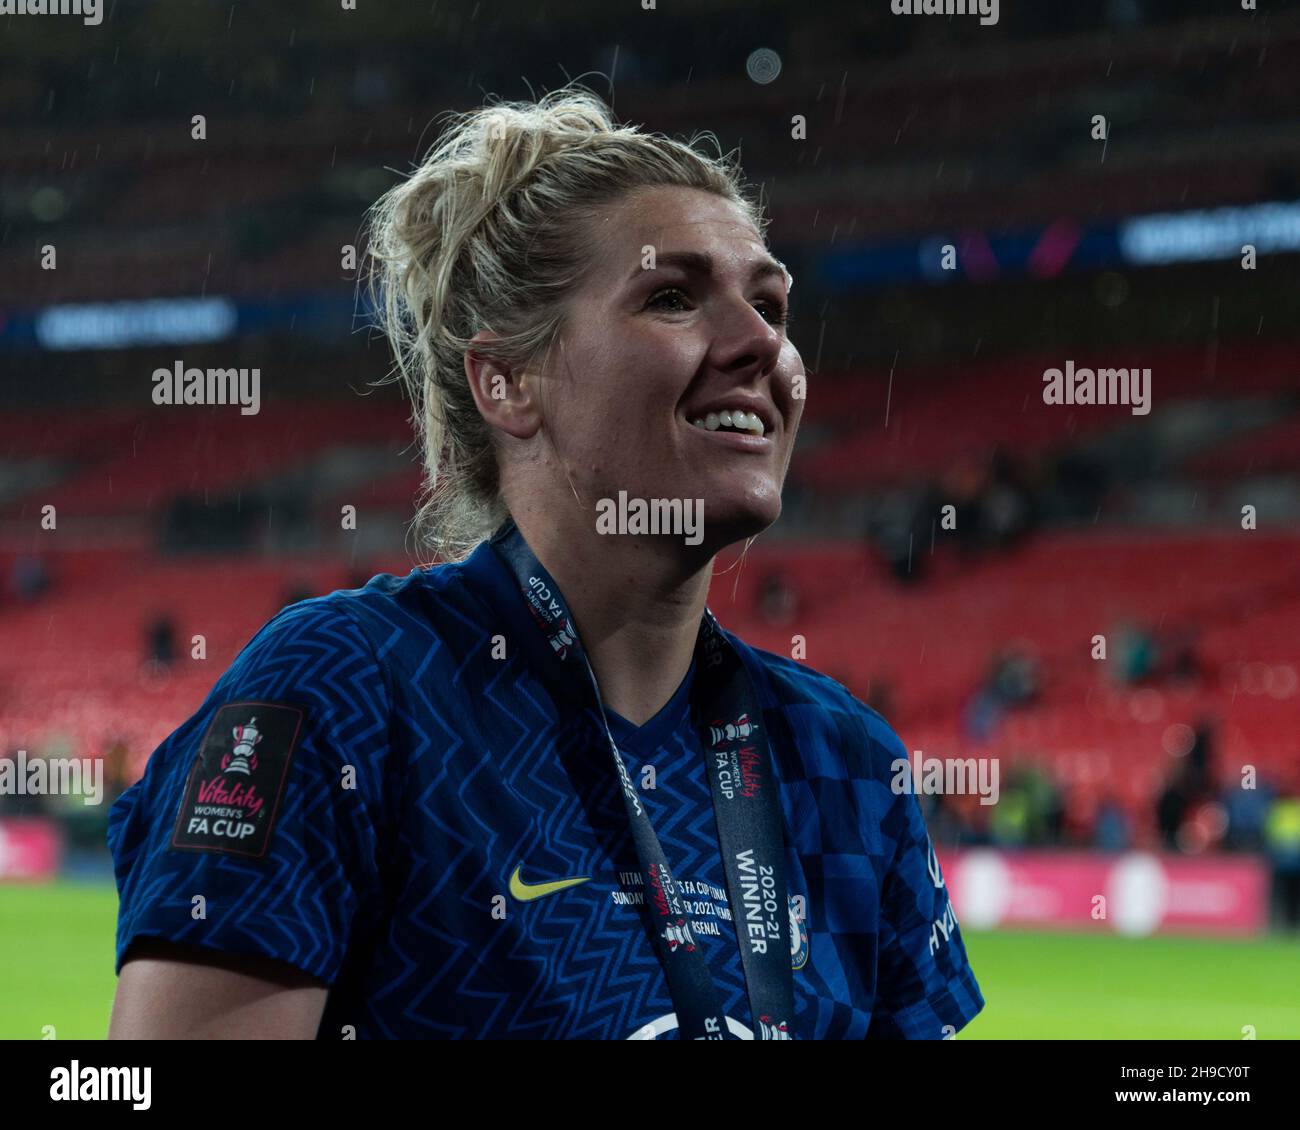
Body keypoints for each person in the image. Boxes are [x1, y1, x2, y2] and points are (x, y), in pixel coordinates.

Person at [106, 87, 983, 1040]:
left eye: (771, 305)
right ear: (509, 383)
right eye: (673, 297)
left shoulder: (845, 761)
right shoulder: (347, 695)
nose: (761, 343)